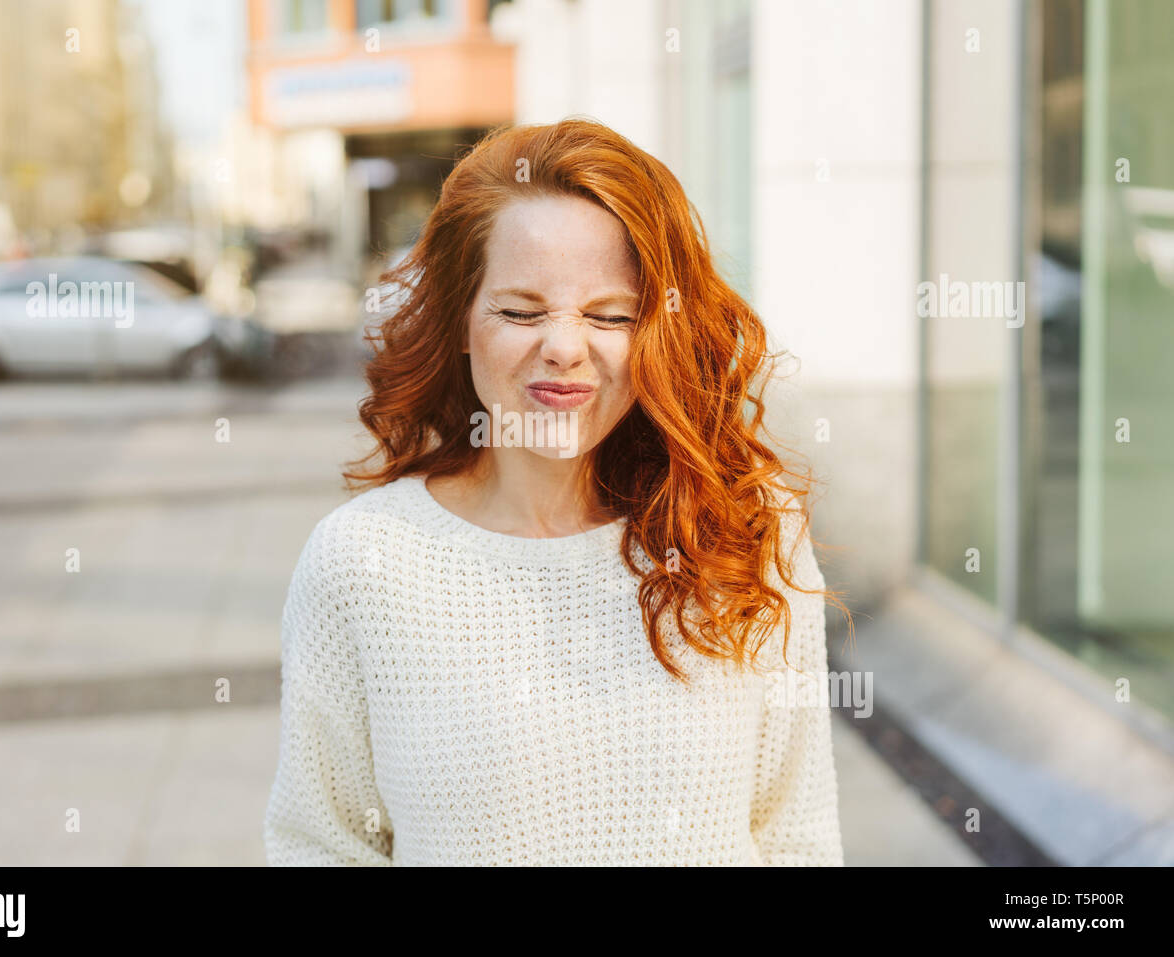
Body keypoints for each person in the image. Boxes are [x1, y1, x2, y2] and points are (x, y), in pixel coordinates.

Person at [264, 117, 852, 866]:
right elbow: (321, 844)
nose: (566, 348)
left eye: (611, 315)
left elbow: (795, 837)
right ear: (462, 325)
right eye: (521, 310)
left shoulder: (752, 533)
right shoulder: (362, 562)